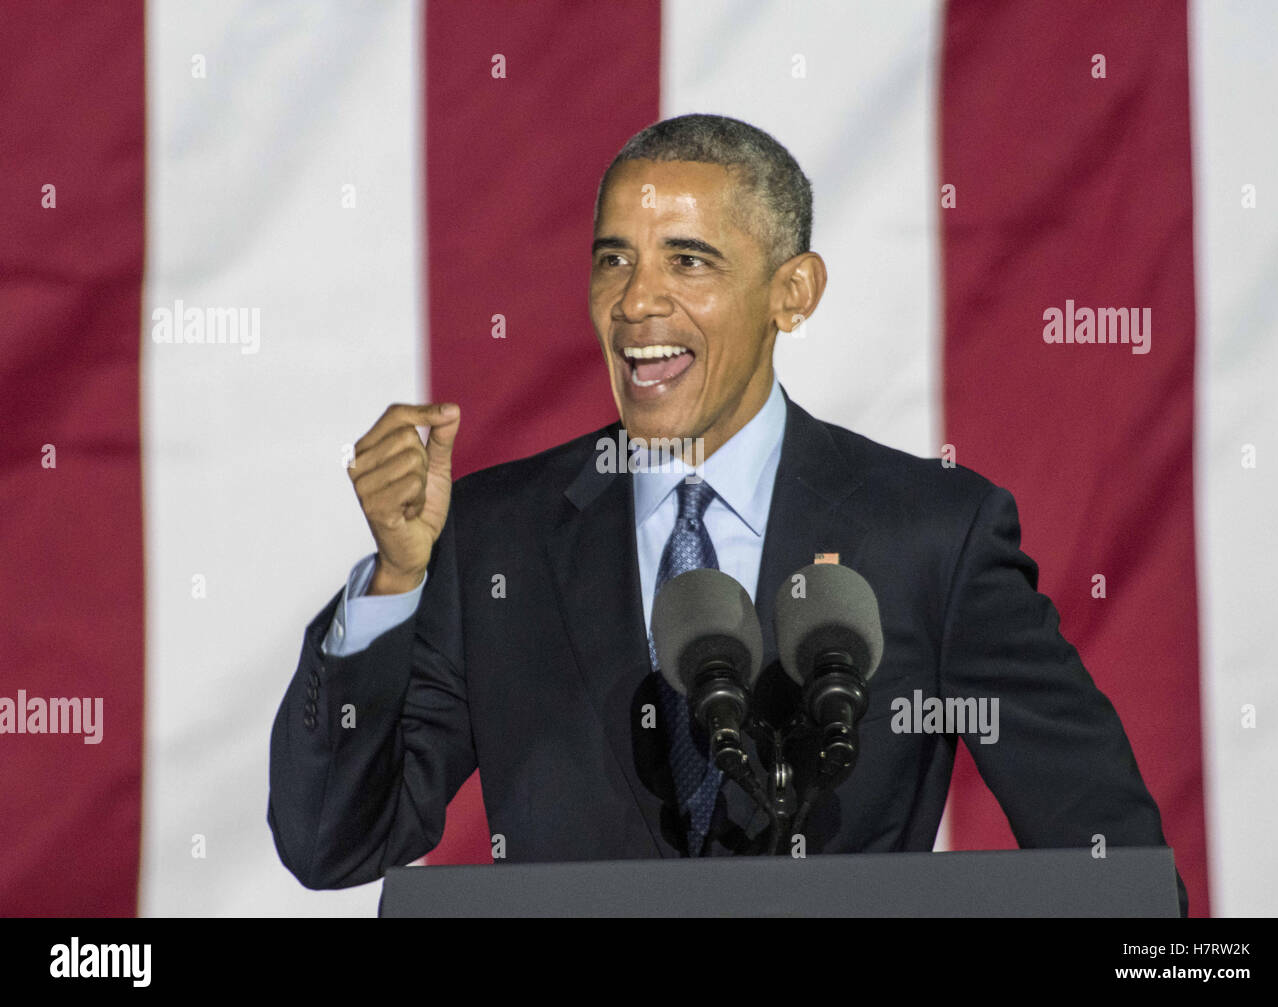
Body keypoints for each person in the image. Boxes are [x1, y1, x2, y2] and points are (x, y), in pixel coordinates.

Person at [268, 113, 1187, 915]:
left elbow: (1112, 869)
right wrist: (393, 581)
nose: (636, 302)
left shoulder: (932, 536)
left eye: (688, 260)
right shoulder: (492, 536)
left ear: (794, 293)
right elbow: (333, 843)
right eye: (614, 259)